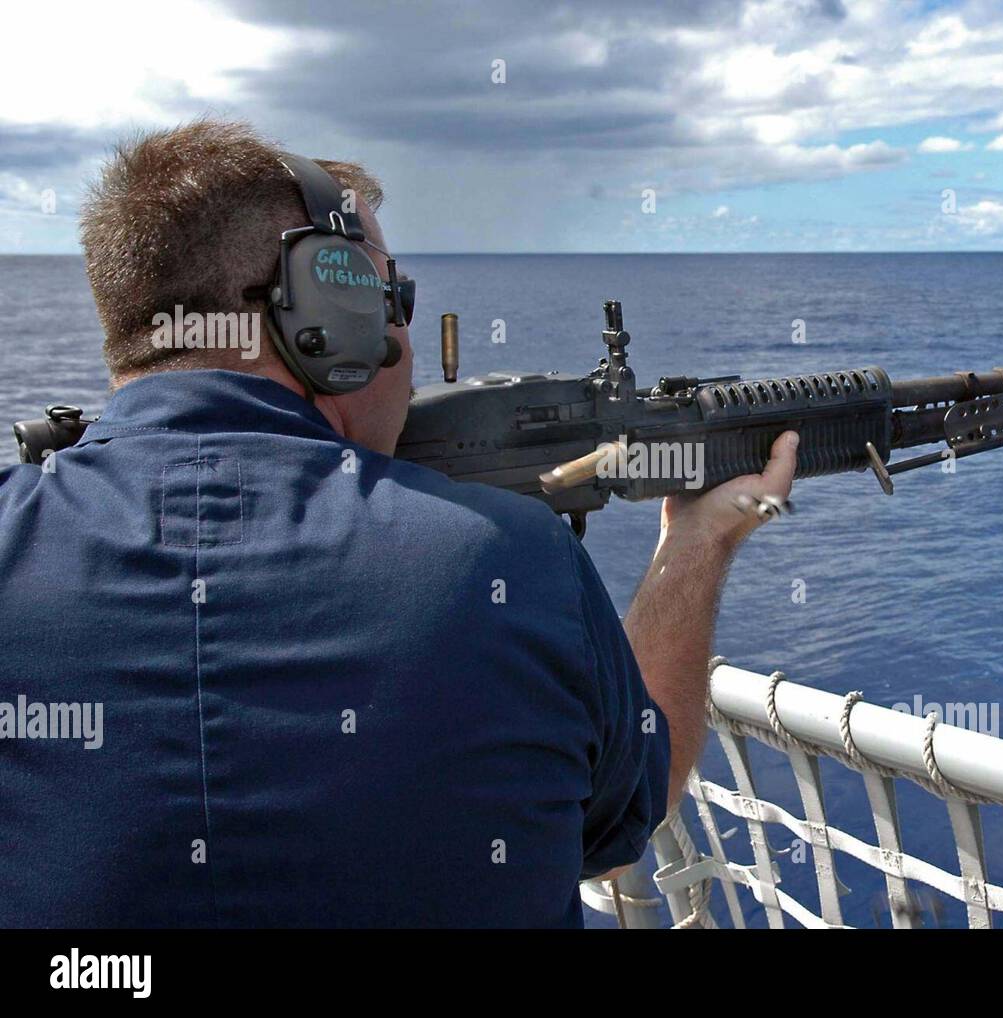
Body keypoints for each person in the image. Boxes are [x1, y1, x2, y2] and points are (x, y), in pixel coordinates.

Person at [0, 119, 796, 928]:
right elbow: (625, 821)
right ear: (330, 319)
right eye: (393, 302)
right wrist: (695, 544)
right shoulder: (513, 559)